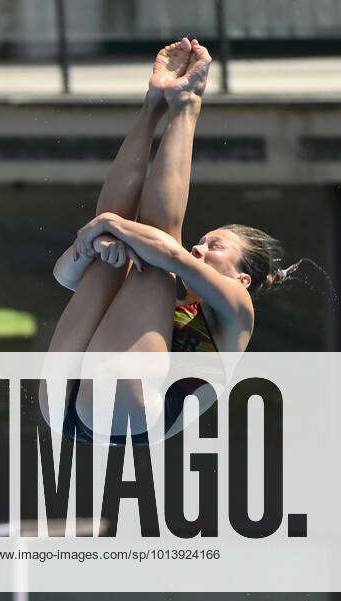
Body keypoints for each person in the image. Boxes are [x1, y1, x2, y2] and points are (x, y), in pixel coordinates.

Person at [45, 38, 301, 444]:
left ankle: (187, 103)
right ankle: (152, 102)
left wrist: (105, 225)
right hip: (65, 403)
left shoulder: (237, 312)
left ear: (243, 278)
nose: (199, 249)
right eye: (202, 242)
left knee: (154, 245)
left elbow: (170, 252)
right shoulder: (157, 289)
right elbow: (65, 275)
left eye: (215, 247)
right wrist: (93, 242)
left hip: (128, 414)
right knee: (118, 253)